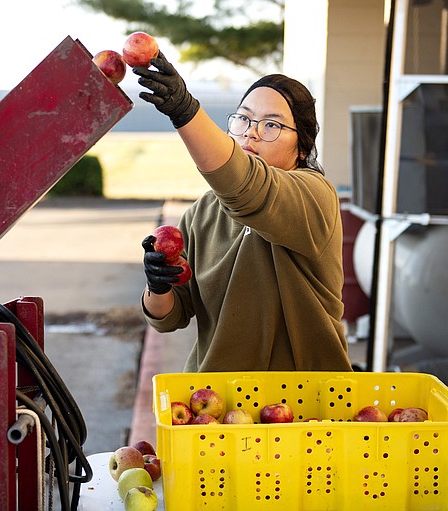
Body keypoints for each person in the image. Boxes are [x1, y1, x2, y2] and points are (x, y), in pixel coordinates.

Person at [134, 51, 353, 373]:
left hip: (306, 403)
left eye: (271, 125)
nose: (251, 132)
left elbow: (249, 188)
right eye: (244, 119)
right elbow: (170, 318)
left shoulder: (314, 195)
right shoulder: (202, 213)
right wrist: (158, 284)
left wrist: (185, 111)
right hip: (215, 401)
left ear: (302, 148)